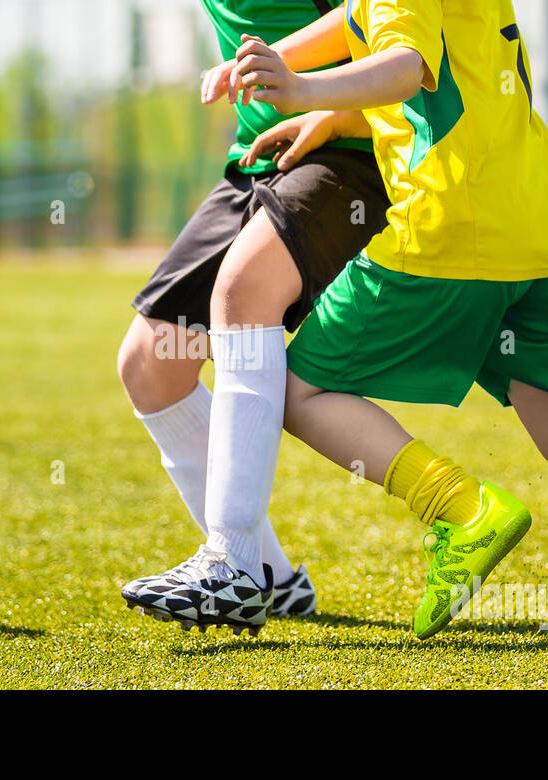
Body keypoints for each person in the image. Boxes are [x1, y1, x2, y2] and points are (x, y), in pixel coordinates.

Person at [131, 0, 548, 638]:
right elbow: (451, 80)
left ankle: (459, 508)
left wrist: (302, 90)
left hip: (454, 233)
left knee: (297, 389)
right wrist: (334, 118)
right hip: (543, 233)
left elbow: (405, 64)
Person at [117, 2, 391, 626]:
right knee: (150, 362)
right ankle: (270, 577)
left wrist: (325, 97)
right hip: (256, 156)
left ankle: (234, 563)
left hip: (351, 147)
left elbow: (396, 26)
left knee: (243, 292)